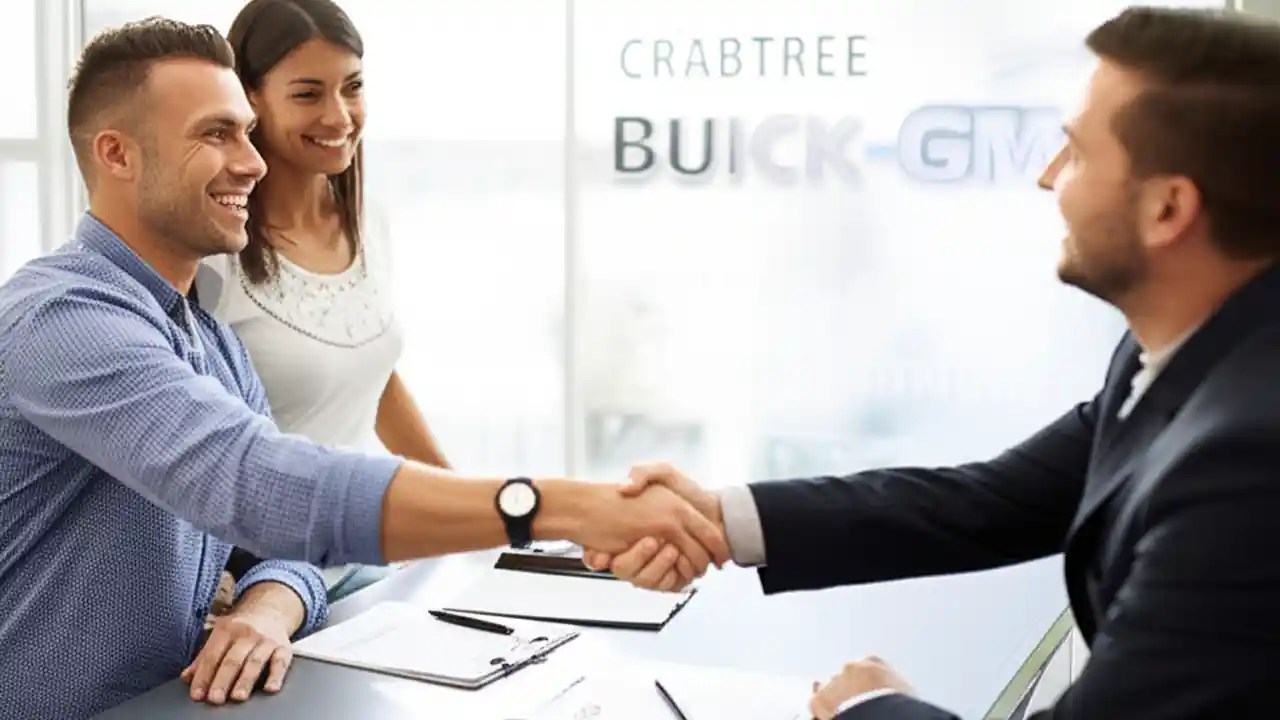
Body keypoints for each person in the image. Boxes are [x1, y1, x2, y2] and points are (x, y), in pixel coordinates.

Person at [0, 18, 726, 719]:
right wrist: (563, 507)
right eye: (215, 134)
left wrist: (266, 603)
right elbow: (256, 485)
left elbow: (285, 544)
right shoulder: (61, 319)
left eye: (247, 132)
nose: (252, 162)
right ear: (117, 155)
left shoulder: (211, 341)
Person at [589, 7, 1280, 719]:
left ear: (1168, 209)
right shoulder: (1187, 350)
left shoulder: (1248, 462)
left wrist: (873, 709)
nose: (1047, 179)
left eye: (1075, 153)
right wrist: (719, 518)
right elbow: (990, 502)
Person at [194, 0, 442, 601]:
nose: (339, 115)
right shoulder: (211, 254)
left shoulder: (367, 222)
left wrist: (466, 511)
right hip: (262, 587)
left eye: (351, 88)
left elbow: (371, 375)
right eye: (308, 94)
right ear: (249, 99)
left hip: (368, 560)